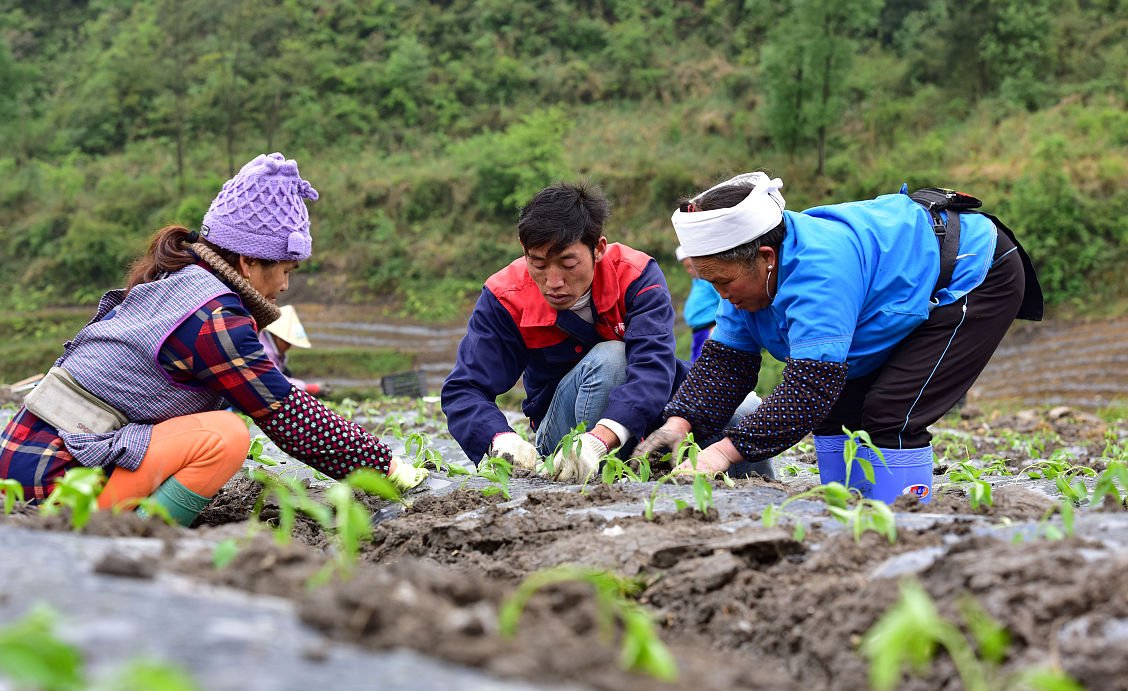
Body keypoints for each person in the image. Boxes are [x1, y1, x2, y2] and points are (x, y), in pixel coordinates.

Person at [0, 153, 426, 525]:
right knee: (226, 435)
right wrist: (386, 467)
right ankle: (141, 538)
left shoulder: (178, 284)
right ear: (249, 261)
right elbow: (286, 414)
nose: (286, 287)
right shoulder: (213, 316)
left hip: (17, 468)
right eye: (286, 272)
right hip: (52, 485)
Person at [635, 171, 1042, 503]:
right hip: (893, 289)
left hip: (970, 270)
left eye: (723, 282)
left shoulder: (820, 273)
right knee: (836, 410)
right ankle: (847, 510)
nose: (722, 297)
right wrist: (680, 422)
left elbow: (807, 390)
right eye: (712, 284)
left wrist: (722, 452)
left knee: (891, 414)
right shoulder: (746, 283)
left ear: (766, 259)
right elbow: (727, 364)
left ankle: (905, 516)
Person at [442, 181, 772, 484]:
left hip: (638, 415)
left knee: (743, 411)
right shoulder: (505, 297)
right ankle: (597, 483)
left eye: (568, 264)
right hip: (563, 433)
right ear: (523, 249)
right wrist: (500, 438)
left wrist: (603, 437)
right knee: (611, 357)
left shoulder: (636, 276)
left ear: (598, 248)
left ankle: (758, 496)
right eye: (539, 264)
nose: (554, 281)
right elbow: (465, 388)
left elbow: (652, 367)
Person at [259, 305, 324, 396]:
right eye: (287, 342)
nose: (289, 346)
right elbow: (277, 380)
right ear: (277, 337)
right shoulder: (264, 350)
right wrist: (309, 387)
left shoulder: (277, 352)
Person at [676, 245, 719, 360]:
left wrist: (718, 325)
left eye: (691, 266)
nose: (689, 271)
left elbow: (725, 301)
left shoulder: (708, 280)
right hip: (699, 332)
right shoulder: (697, 282)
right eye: (686, 268)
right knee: (695, 365)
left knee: (705, 366)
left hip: (710, 330)